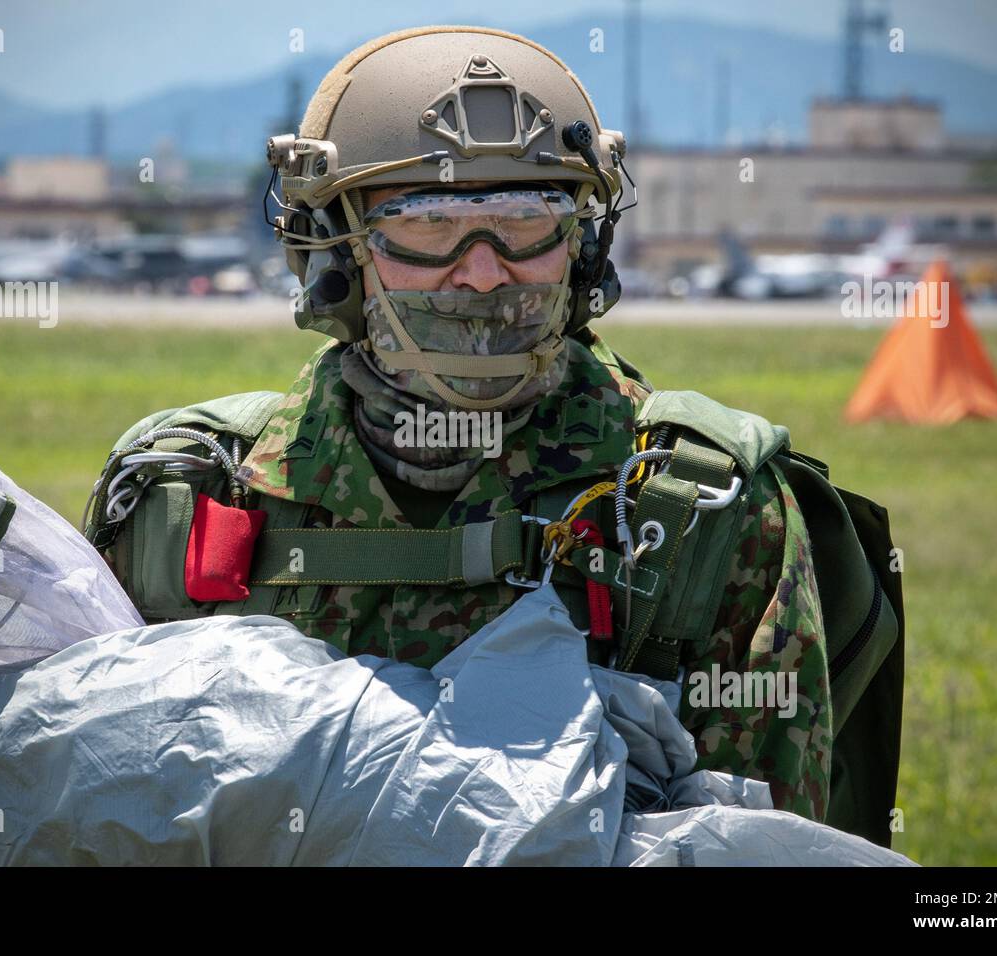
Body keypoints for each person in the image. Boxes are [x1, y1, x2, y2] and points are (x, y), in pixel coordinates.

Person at [87, 26, 833, 823]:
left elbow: (764, 838)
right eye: (428, 224)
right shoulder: (188, 497)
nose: (482, 273)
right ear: (335, 250)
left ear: (582, 247)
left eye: (524, 222)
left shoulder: (697, 508)